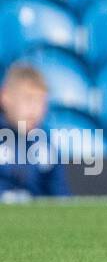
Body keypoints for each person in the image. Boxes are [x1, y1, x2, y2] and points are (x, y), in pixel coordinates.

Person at [0, 64, 70, 200]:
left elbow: (61, 197)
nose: (35, 109)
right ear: (5, 97)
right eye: (28, 99)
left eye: (41, 102)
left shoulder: (45, 143)